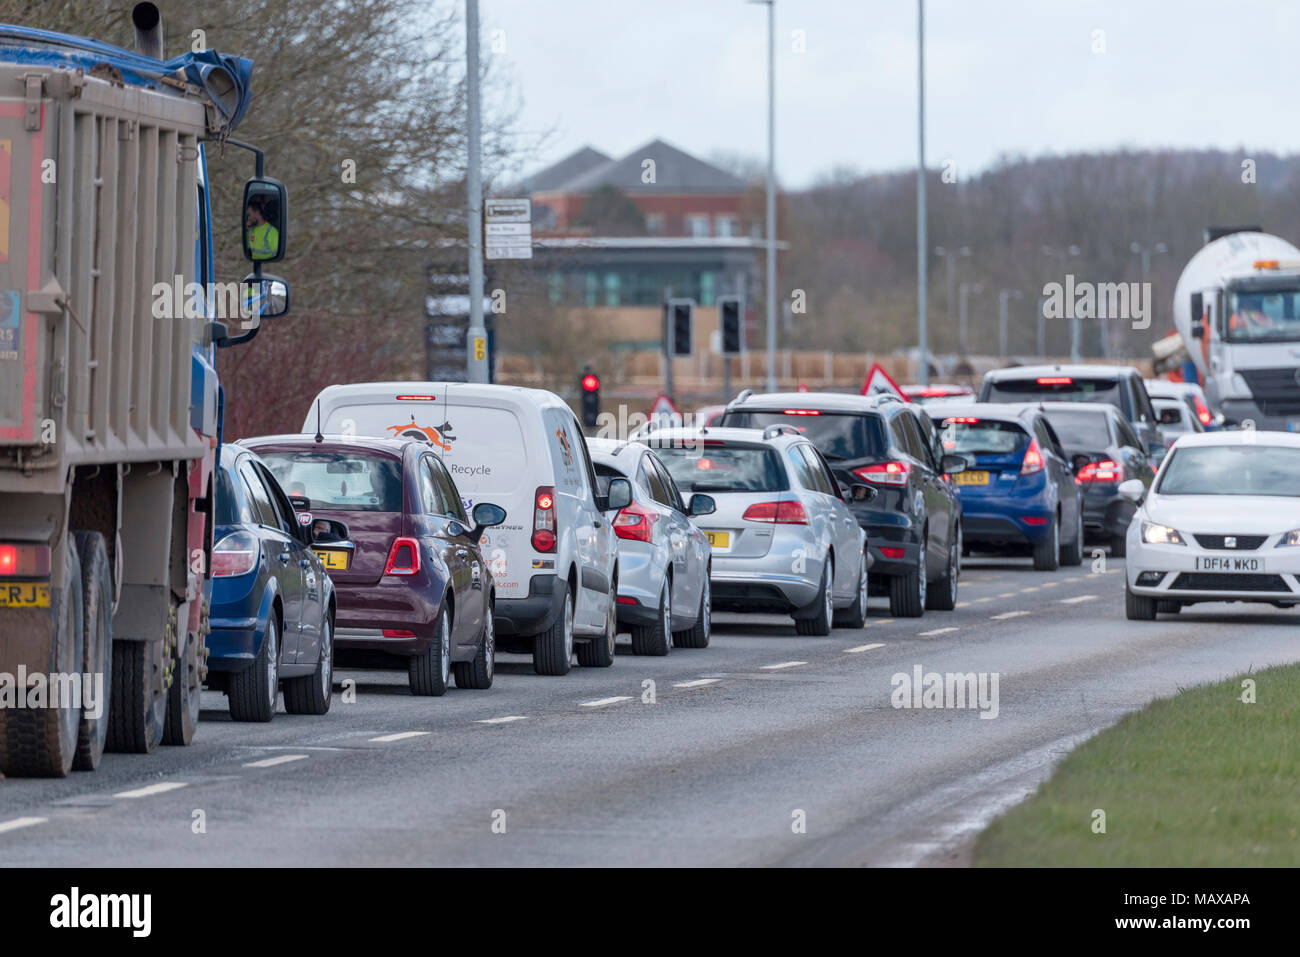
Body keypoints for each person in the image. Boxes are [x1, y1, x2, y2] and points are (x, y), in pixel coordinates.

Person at [245, 194, 279, 260]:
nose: (248, 218)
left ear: (257, 213)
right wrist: (246, 230)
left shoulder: (272, 232)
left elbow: (276, 255)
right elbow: (247, 247)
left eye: (249, 215)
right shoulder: (250, 230)